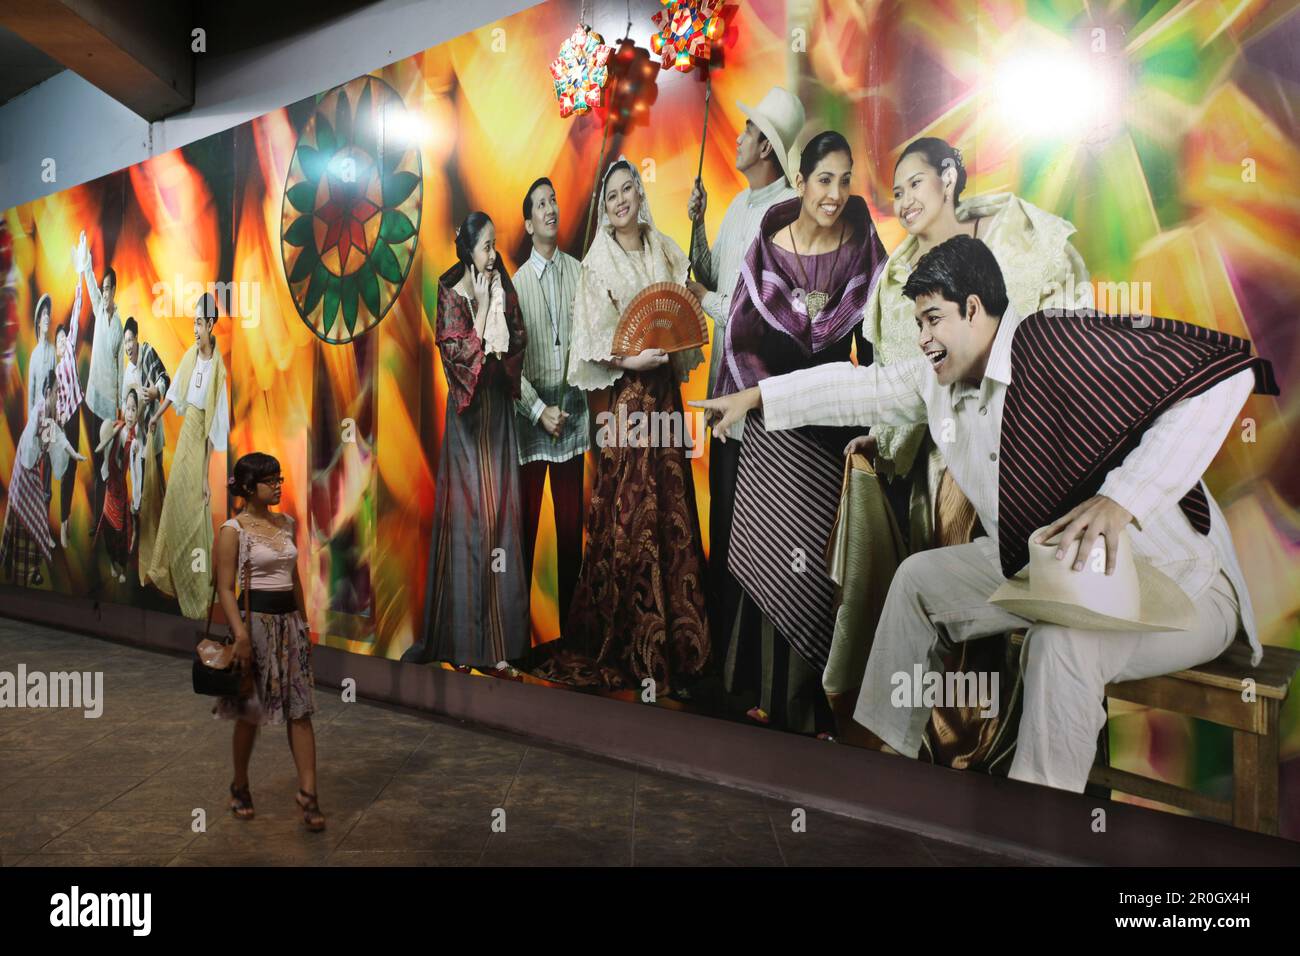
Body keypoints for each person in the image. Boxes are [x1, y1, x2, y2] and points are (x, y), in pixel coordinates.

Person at [694, 235, 1275, 792]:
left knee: (1058, 646)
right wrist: (756, 398)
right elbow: (858, 388)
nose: (922, 338)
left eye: (932, 320)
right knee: (918, 581)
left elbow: (1222, 378)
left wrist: (1122, 498)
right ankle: (880, 763)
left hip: (1182, 587)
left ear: (974, 308)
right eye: (918, 323)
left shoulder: (1055, 341)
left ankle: (1030, 834)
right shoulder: (939, 381)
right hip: (1054, 569)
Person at [842, 137, 1095, 766]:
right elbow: (894, 383)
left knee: (1030, 607)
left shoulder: (1021, 243)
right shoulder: (898, 276)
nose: (902, 200)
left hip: (1025, 456)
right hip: (942, 466)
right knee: (947, 597)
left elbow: (1071, 347)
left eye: (914, 184)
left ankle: (1011, 755)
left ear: (949, 179)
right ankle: (933, 753)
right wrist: (888, 437)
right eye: (894, 191)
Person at [712, 131, 886, 734]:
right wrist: (767, 406)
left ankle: (808, 708)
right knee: (768, 564)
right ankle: (761, 698)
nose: (835, 194)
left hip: (834, 431)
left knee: (816, 575)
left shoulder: (865, 248)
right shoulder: (765, 247)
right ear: (802, 180)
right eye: (823, 180)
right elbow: (739, 340)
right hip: (772, 432)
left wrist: (873, 421)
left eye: (845, 179)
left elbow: (880, 348)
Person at [533, 158, 709, 696]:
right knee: (632, 509)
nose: (622, 200)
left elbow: (695, 292)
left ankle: (679, 644)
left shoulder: (662, 246)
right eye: (612, 196)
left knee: (672, 506)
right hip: (630, 403)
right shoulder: (597, 263)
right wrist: (634, 360)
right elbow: (595, 341)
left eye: (629, 189)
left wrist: (698, 223)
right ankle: (633, 638)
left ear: (640, 194)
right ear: (605, 211)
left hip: (667, 400)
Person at [685, 84, 803, 651]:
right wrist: (696, 224)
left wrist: (697, 299)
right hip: (721, 388)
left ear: (767, 148)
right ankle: (720, 652)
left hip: (755, 393)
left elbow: (749, 312)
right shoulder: (736, 205)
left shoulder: (783, 216)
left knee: (749, 522)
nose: (737, 135)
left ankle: (744, 660)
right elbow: (708, 271)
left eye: (748, 129)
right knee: (723, 512)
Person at [402, 212, 531, 668]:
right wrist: (478, 315)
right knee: (467, 521)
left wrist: (495, 318)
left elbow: (517, 340)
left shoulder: (503, 284)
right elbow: (457, 357)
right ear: (469, 249)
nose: (493, 255)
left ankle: (501, 649)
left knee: (501, 518)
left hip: (497, 416)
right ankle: (461, 645)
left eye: (495, 245)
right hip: (466, 419)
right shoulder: (451, 292)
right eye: (486, 247)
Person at [214, 452, 324, 831]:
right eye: (270, 480)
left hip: (289, 625)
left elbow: (293, 580)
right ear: (248, 487)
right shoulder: (234, 530)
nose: (279, 485)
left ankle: (308, 795)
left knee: (301, 709)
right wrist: (241, 634)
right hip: (254, 627)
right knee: (250, 712)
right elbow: (225, 589)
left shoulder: (287, 524)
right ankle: (240, 785)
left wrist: (305, 624)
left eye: (280, 478)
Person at [511, 178, 588, 634]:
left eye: (554, 199)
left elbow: (593, 343)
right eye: (540, 203)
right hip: (531, 424)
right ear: (528, 223)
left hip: (573, 419)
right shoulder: (514, 287)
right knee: (522, 535)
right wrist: (540, 411)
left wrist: (566, 407)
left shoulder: (579, 271)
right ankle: (518, 641)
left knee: (571, 534)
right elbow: (507, 369)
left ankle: (573, 641)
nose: (551, 208)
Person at [144, 293, 228, 618]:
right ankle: (166, 573)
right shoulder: (191, 356)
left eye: (198, 322)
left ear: (210, 324)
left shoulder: (218, 370)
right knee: (174, 503)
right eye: (193, 321)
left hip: (199, 443)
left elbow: (212, 427)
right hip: (185, 443)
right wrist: (155, 415)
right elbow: (176, 389)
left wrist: (206, 475)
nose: (194, 328)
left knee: (196, 512)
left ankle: (197, 587)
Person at [1, 371, 85, 586]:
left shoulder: (46, 410)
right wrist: (66, 449)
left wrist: (70, 452)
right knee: (26, 516)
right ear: (48, 392)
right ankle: (21, 569)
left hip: (30, 466)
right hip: (26, 467)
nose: (59, 394)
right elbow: (52, 437)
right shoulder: (42, 413)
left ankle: (27, 568)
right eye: (57, 391)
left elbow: (55, 436)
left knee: (32, 516)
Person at [78, 234, 124, 523]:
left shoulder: (118, 324)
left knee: (108, 463)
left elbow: (119, 367)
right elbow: (91, 286)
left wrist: (119, 406)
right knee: (96, 463)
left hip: (109, 403)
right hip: (93, 396)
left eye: (109, 288)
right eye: (103, 288)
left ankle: (109, 519)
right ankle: (97, 518)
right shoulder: (98, 308)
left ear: (115, 290)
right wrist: (86, 263)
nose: (104, 293)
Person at [120, 315, 170, 579]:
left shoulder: (148, 353)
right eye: (125, 342)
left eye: (130, 340)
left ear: (136, 338)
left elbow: (165, 379)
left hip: (153, 435)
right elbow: (126, 405)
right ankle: (140, 532)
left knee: (157, 484)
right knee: (138, 488)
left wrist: (155, 392)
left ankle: (161, 538)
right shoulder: (127, 371)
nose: (128, 346)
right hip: (138, 438)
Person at [52, 252, 86, 549]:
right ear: (57, 349)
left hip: (79, 410)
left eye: (65, 338)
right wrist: (60, 417)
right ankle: (64, 523)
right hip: (67, 419)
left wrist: (79, 275)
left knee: (76, 466)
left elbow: (76, 311)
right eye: (60, 341)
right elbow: (55, 402)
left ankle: (68, 518)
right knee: (67, 469)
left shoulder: (71, 351)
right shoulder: (56, 368)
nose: (64, 341)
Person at [93, 387, 139, 584]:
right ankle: (112, 563)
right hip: (110, 488)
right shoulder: (116, 429)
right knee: (109, 529)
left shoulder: (135, 442)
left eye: (134, 409)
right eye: (127, 408)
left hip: (122, 490)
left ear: (138, 412)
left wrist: (136, 500)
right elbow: (105, 456)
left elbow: (137, 474)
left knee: (122, 531)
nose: (129, 414)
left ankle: (122, 567)